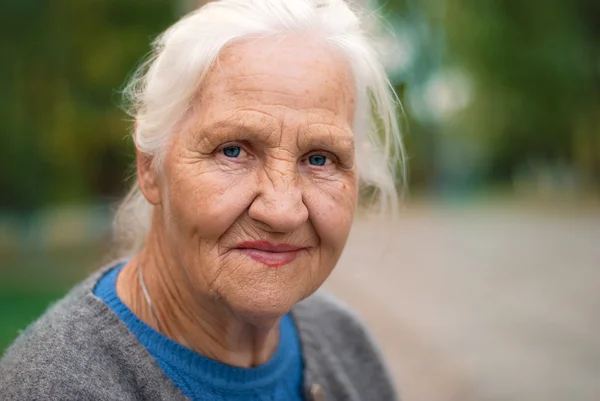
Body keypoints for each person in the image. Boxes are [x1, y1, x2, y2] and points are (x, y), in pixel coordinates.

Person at [0, 0, 404, 400]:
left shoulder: (344, 342)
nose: (282, 210)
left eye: (320, 158)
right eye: (233, 150)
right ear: (149, 167)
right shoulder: (53, 386)